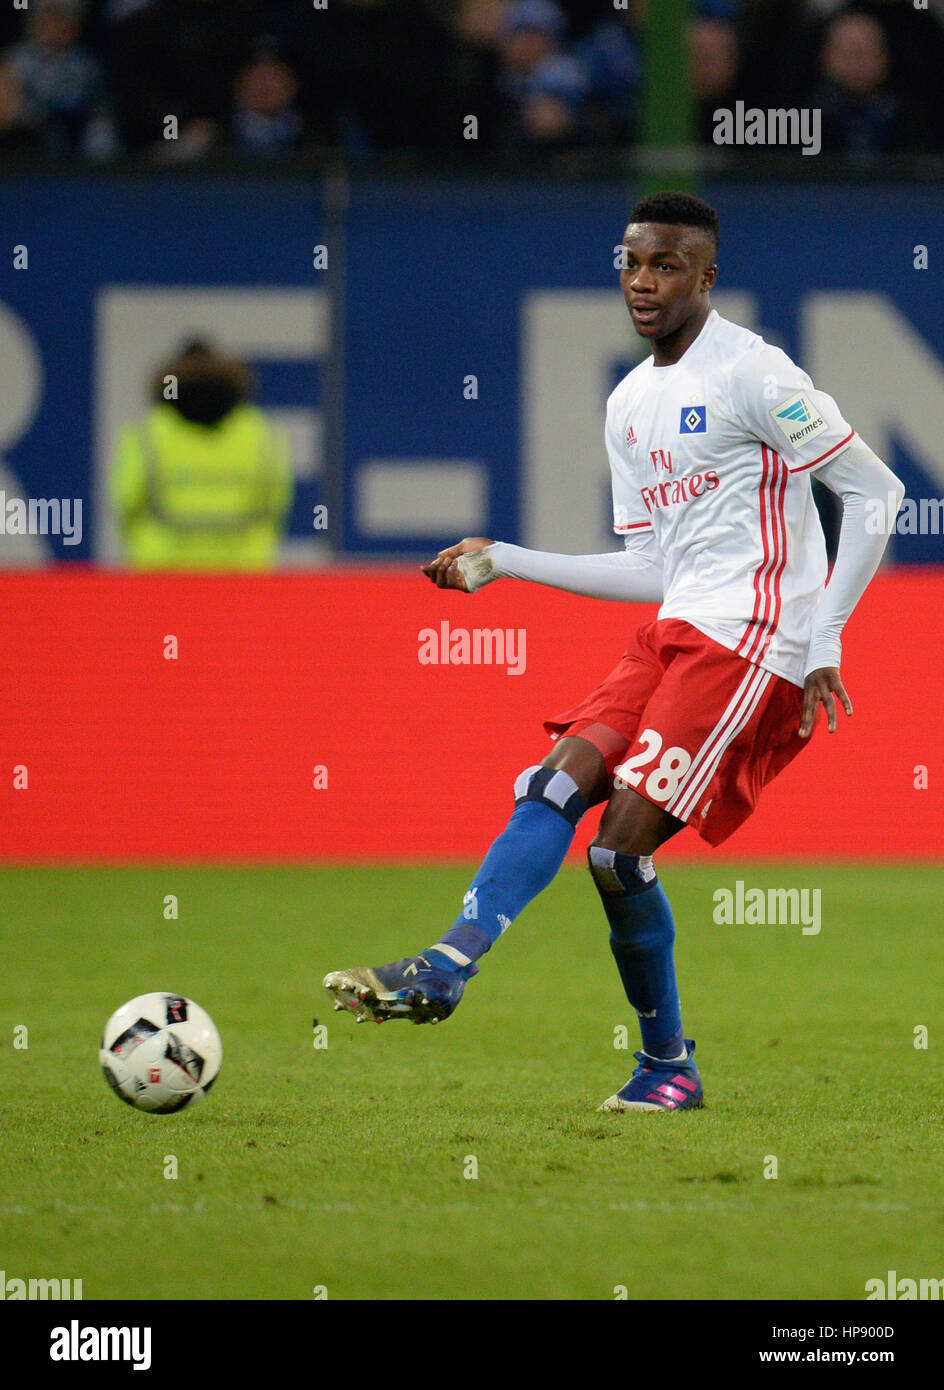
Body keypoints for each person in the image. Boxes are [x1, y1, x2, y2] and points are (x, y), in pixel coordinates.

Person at [324, 191, 903, 1113]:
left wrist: (825, 633)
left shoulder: (758, 375)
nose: (643, 282)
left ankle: (668, 1065)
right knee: (552, 783)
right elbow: (651, 566)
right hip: (675, 628)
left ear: (707, 278)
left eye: (666, 266)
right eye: (632, 262)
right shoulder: (629, 403)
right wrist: (505, 561)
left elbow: (876, 493)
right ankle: (444, 966)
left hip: (754, 641)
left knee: (617, 851)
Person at [112, 339, 293, 570]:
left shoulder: (147, 434)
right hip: (241, 575)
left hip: (162, 576)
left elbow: (127, 501)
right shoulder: (260, 434)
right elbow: (276, 503)